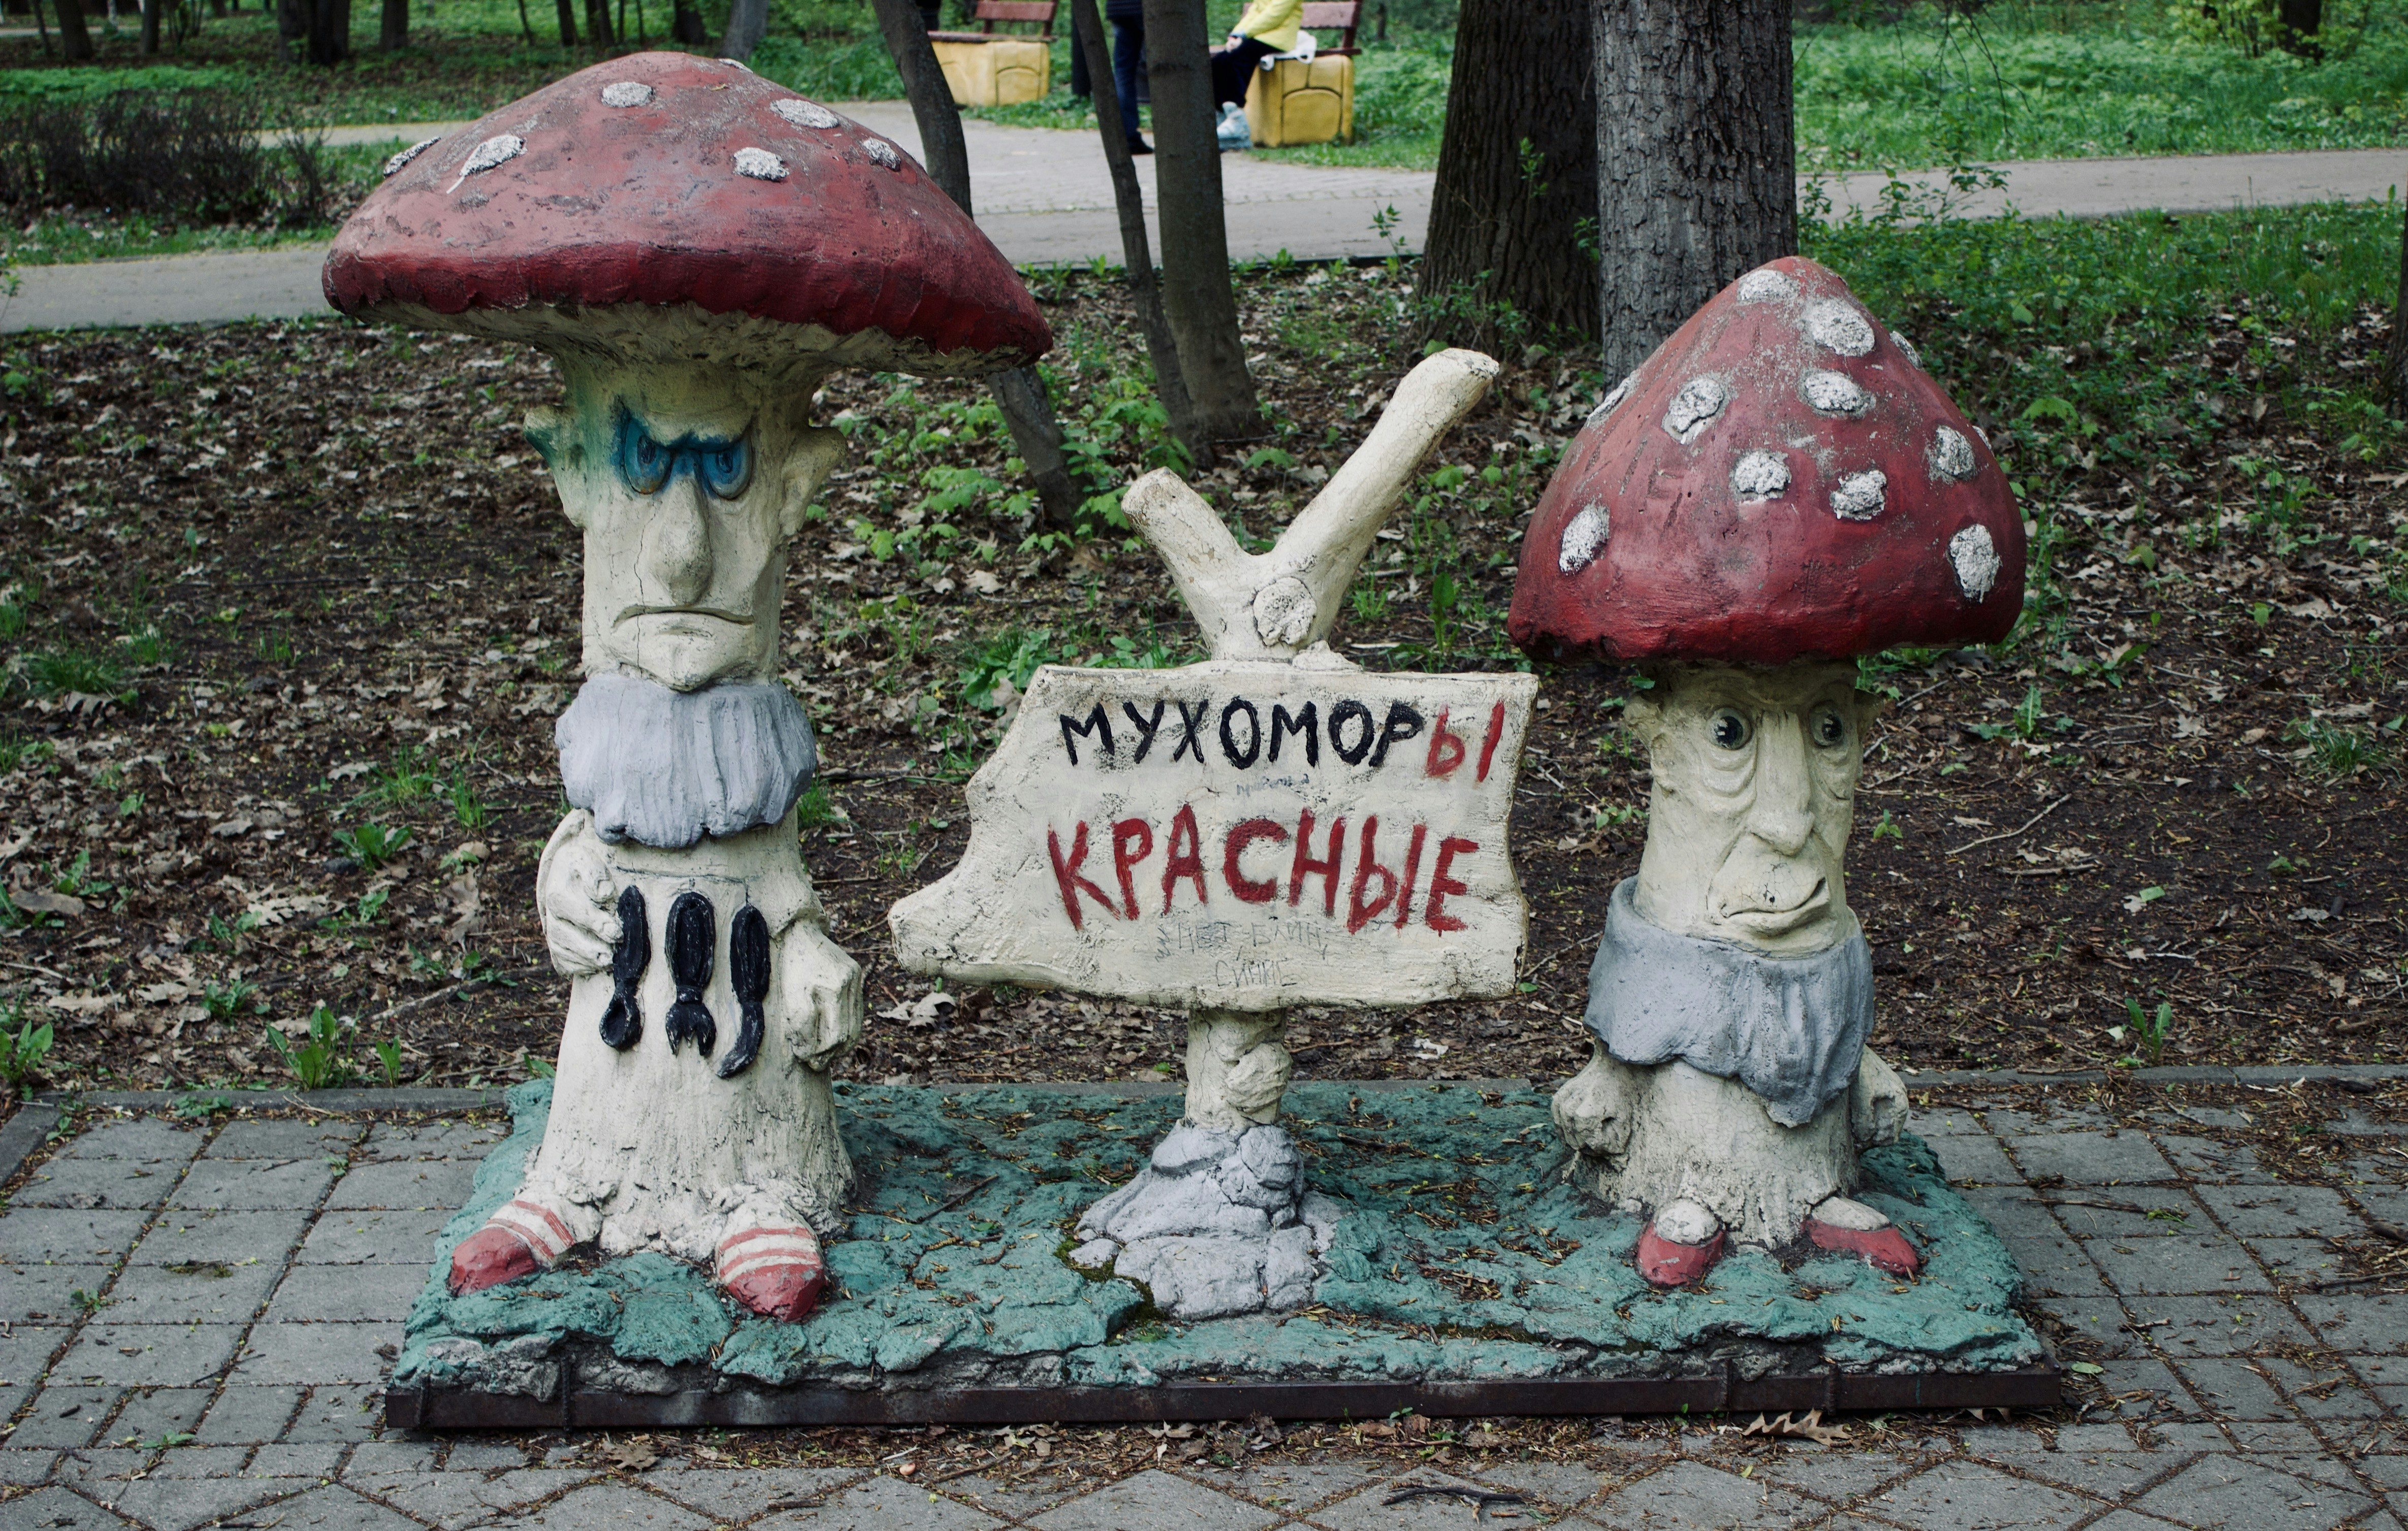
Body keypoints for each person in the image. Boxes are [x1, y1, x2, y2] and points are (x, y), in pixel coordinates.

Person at [1209, 0, 1301, 119]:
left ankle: (1236, 115)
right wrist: (1236, 35)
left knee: (1240, 59)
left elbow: (1276, 14)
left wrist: (1245, 35)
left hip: (1277, 37)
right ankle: (1221, 113)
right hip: (1257, 34)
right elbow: (1255, 11)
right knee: (1219, 62)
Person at [1107, 0, 1149, 154]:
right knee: (1168, 68)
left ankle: (1128, 137)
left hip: (1119, 9)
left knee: (1123, 72)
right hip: (1150, 9)